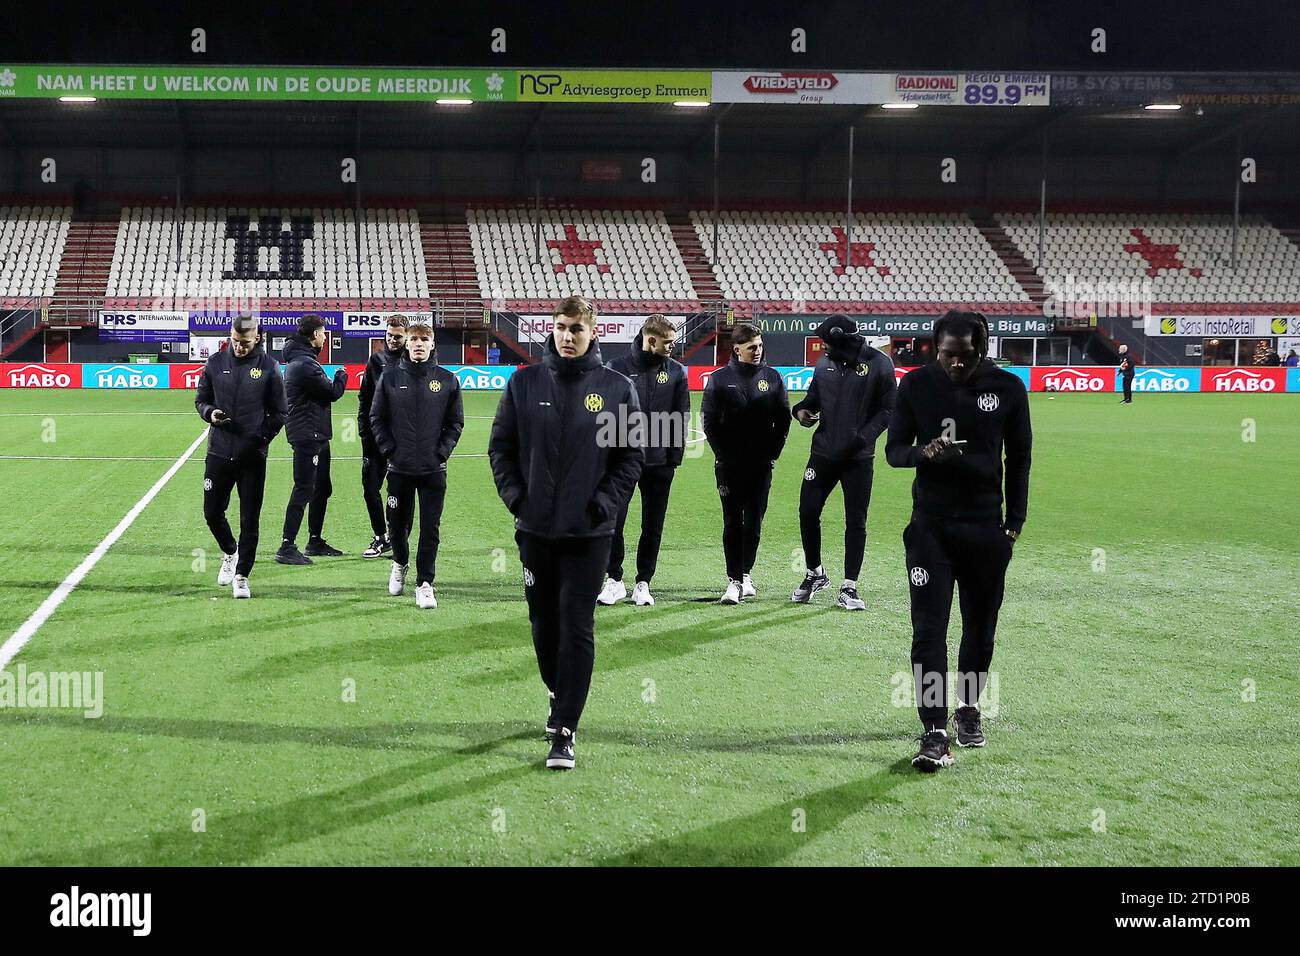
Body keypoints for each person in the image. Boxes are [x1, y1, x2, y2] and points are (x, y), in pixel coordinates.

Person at [488, 296, 644, 770]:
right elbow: (501, 448)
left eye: (577, 328)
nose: (568, 336)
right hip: (535, 530)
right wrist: (519, 499)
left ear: (593, 332)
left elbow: (631, 456)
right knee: (542, 624)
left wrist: (603, 505)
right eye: (560, 327)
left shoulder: (617, 388)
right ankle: (557, 693)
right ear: (551, 330)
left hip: (589, 534)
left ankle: (566, 729)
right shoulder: (523, 382)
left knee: (576, 626)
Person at [886, 309, 1032, 773]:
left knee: (979, 631)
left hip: (986, 530)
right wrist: (921, 453)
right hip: (930, 528)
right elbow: (892, 452)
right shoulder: (915, 387)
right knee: (928, 631)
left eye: (965, 356)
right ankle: (932, 730)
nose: (956, 364)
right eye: (948, 355)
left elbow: (1021, 457)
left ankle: (967, 708)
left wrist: (1014, 522)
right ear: (935, 347)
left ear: (982, 349)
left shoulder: (1009, 389)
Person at [790, 316, 896, 610]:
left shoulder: (879, 364)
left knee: (856, 521)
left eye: (826, 342)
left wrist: (861, 439)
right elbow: (812, 399)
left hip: (858, 459)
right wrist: (801, 412)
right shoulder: (824, 363)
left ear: (842, 339)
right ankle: (815, 574)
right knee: (807, 511)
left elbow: (888, 410)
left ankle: (850, 586)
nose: (823, 347)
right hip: (822, 453)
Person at [598, 314, 691, 607]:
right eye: (668, 343)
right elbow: (605, 416)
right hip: (621, 463)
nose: (672, 348)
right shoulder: (616, 368)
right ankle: (614, 580)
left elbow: (681, 415)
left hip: (659, 463)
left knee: (653, 525)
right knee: (614, 521)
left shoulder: (676, 371)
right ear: (650, 340)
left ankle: (643, 583)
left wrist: (673, 458)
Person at [369, 322, 463, 609]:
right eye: (414, 339)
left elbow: (455, 422)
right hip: (399, 469)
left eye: (425, 339)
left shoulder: (447, 380)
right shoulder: (389, 377)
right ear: (407, 344)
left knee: (430, 528)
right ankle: (399, 562)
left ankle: (425, 583)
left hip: (433, 470)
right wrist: (389, 451)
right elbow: (377, 418)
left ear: (432, 344)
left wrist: (441, 453)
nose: (419, 344)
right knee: (396, 526)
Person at [194, 315, 287, 599]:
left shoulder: (269, 367)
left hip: (252, 458)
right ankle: (230, 552)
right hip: (219, 452)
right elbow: (201, 400)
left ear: (256, 338)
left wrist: (258, 441)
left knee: (250, 519)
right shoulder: (215, 363)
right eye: (235, 341)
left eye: (245, 343)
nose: (239, 347)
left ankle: (243, 575)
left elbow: (280, 413)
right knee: (211, 512)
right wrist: (210, 414)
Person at [700, 322, 791, 605]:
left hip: (761, 465)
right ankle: (734, 580)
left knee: (753, 523)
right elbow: (709, 422)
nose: (757, 351)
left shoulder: (773, 378)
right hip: (728, 465)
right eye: (752, 347)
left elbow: (784, 419)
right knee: (732, 522)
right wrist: (722, 455)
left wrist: (772, 453)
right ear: (736, 349)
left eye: (760, 346)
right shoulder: (719, 379)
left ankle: (746, 573)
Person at [276, 314, 349, 565]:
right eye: (323, 333)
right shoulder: (305, 364)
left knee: (322, 488)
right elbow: (332, 392)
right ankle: (287, 545)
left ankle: (314, 540)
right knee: (304, 488)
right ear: (315, 335)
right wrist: (341, 376)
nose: (325, 338)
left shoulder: (302, 360)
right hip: (307, 434)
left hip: (316, 432)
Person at [357, 314, 409, 558]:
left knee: (400, 491)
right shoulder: (376, 361)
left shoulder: (414, 362)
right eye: (389, 335)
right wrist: (363, 432)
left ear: (406, 336)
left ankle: (400, 539)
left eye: (398, 336)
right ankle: (381, 537)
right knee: (370, 488)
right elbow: (364, 398)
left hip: (404, 441)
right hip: (376, 439)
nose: (392, 340)